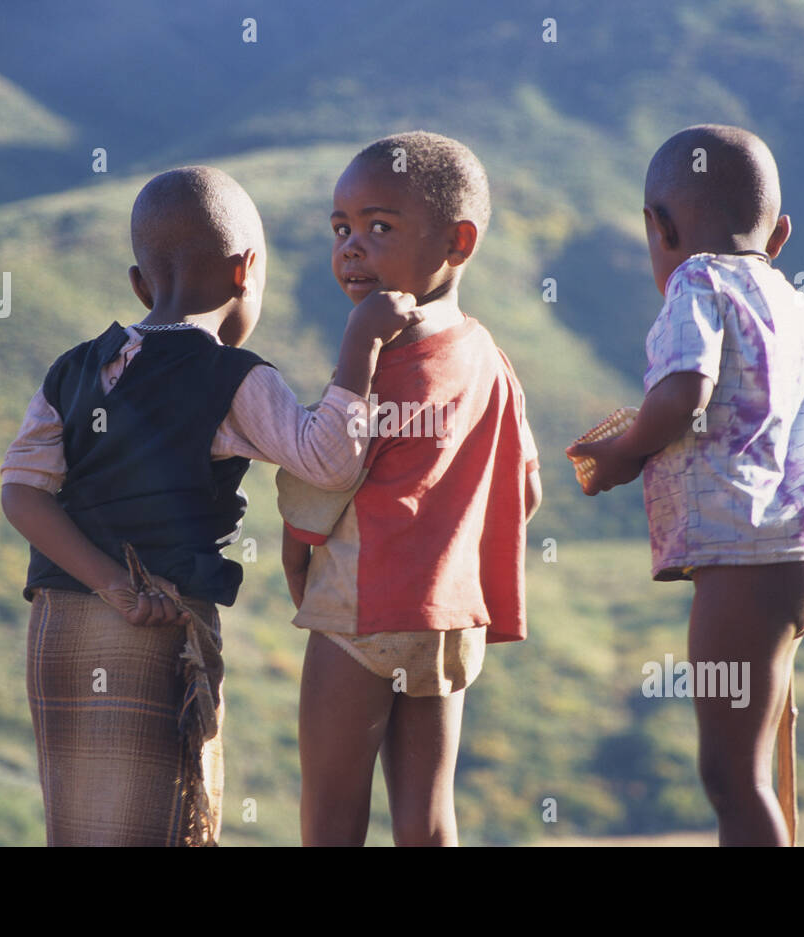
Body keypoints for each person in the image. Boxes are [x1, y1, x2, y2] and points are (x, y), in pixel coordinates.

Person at [0, 166, 420, 846]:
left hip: (58, 629)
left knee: (82, 825)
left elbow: (22, 492)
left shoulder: (72, 368)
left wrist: (107, 584)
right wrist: (360, 345)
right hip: (157, 624)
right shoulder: (230, 374)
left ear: (140, 283)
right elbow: (328, 458)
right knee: (164, 817)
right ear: (246, 271)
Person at [568, 125, 804, 846]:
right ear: (779, 234)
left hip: (744, 571)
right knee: (754, 774)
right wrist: (799, 518)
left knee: (733, 779)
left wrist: (625, 453)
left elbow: (686, 390)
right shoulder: (802, 309)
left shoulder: (698, 281)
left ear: (657, 227)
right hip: (794, 568)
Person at [279, 132, 542, 846]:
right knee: (428, 819)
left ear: (459, 240)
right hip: (451, 623)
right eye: (341, 229)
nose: (351, 246)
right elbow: (525, 488)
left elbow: (326, 468)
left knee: (331, 817)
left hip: (361, 609)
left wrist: (296, 551)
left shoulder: (382, 353)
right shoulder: (492, 359)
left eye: (379, 226)